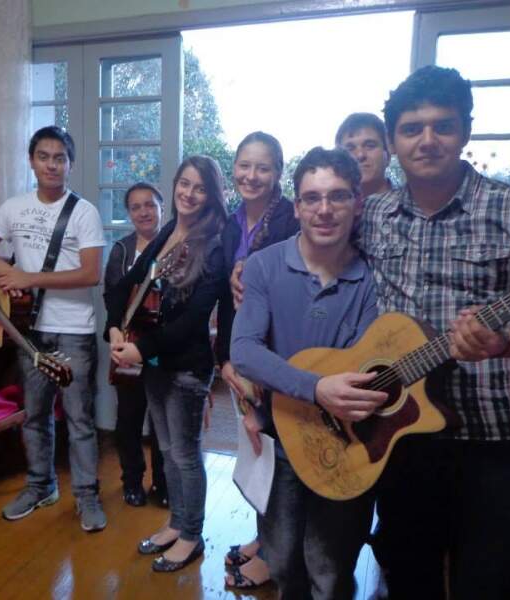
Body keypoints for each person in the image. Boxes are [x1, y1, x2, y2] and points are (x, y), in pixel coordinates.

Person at [360, 65, 510, 599]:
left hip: (494, 441)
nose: (428, 140)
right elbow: (318, 256)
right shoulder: (374, 214)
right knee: (407, 575)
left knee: (490, 584)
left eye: (443, 125)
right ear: (392, 140)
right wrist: (247, 271)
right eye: (412, 129)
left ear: (465, 131)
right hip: (403, 435)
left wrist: (507, 342)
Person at [231, 147, 387, 599]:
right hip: (280, 435)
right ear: (296, 206)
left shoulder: (372, 278)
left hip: (349, 444)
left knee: (331, 566)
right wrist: (316, 387)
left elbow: (360, 363)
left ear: (357, 203)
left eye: (338, 196)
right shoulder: (263, 265)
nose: (324, 209)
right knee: (281, 559)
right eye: (312, 197)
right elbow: (244, 350)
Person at [0, 126, 108, 532]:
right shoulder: (14, 207)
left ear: (70, 164)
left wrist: (29, 278)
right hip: (27, 328)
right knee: (34, 415)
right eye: (43, 156)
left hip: (74, 331)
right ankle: (40, 485)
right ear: (31, 161)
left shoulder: (84, 212)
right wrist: (4, 269)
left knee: (79, 419)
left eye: (59, 157)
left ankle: (87, 496)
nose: (51, 164)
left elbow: (91, 273)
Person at [105, 155, 228, 573]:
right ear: (175, 185)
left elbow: (194, 319)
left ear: (211, 195)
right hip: (156, 361)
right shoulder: (166, 234)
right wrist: (114, 327)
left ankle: (191, 535)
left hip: (188, 366)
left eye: (200, 187)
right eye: (184, 183)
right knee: (168, 450)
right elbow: (125, 286)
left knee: (186, 454)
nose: (189, 193)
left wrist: (141, 349)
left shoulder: (214, 245)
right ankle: (176, 522)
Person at [215, 131, 299, 589]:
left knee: (278, 453)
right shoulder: (232, 222)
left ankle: (272, 555)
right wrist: (225, 358)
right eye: (244, 165)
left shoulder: (290, 220)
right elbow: (225, 299)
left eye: (263, 167)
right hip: (242, 352)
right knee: (258, 449)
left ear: (278, 173)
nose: (251, 175)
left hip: (278, 353)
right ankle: (265, 537)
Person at [103, 182, 167, 507]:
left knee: (162, 419)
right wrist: (114, 329)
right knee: (129, 417)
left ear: (161, 207)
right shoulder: (122, 250)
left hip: (163, 346)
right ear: (129, 213)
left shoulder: (174, 245)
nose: (144, 212)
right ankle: (131, 480)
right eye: (136, 207)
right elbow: (111, 295)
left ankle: (163, 483)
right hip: (128, 342)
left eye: (150, 205)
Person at [335, 112, 393, 198]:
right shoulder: (325, 205)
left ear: (388, 156)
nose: (360, 155)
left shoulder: (410, 203)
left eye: (370, 146)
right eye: (350, 149)